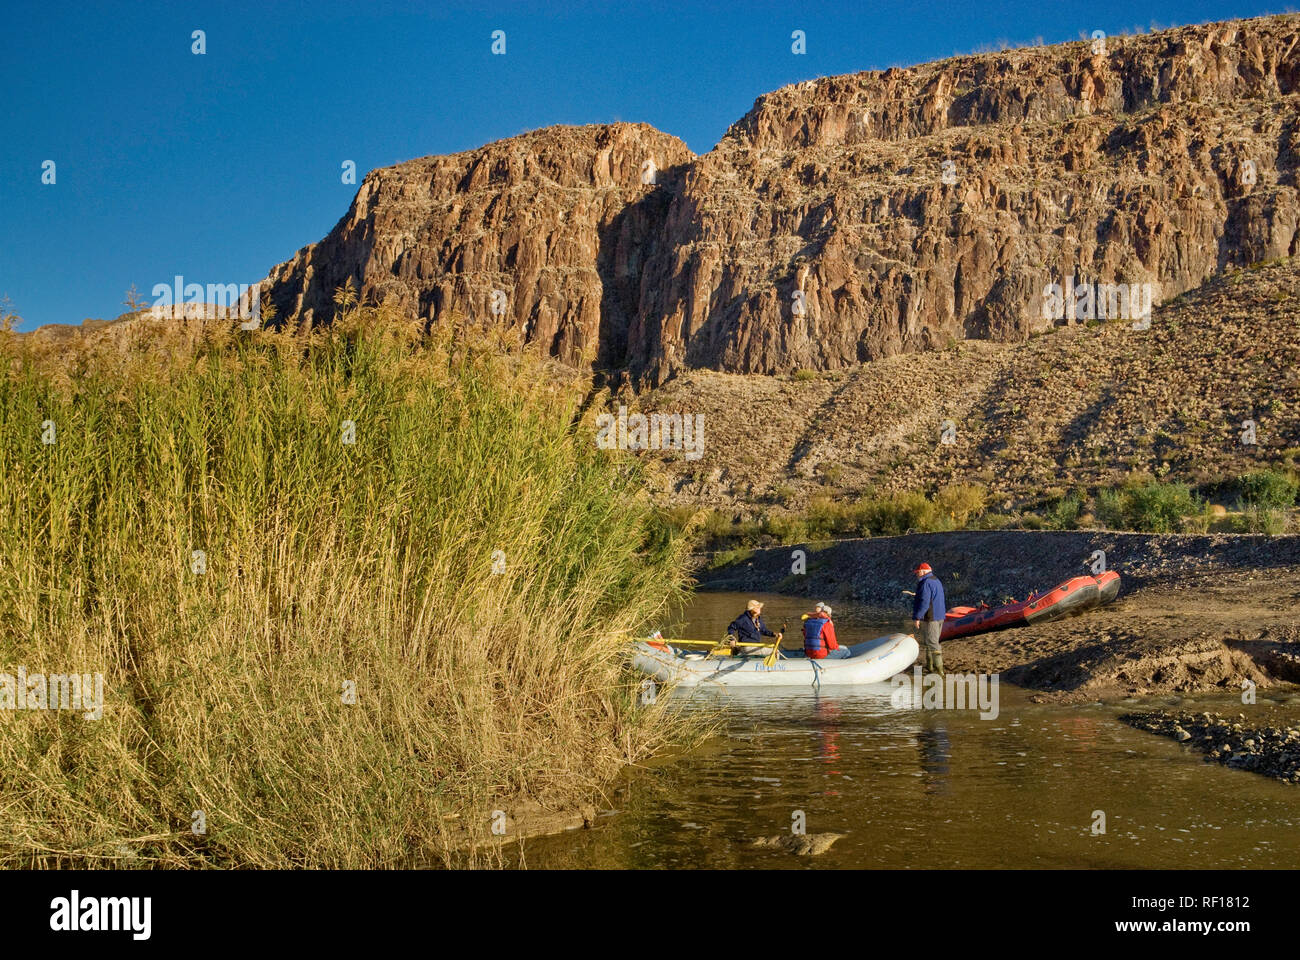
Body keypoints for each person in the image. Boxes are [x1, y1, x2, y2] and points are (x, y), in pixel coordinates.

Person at [912, 562, 946, 677]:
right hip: (940, 616)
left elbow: (924, 603)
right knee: (930, 641)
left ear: (923, 571)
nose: (916, 574)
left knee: (932, 642)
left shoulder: (925, 583)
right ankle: (929, 666)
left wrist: (917, 617)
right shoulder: (936, 580)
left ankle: (939, 670)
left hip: (931, 617)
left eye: (917, 572)